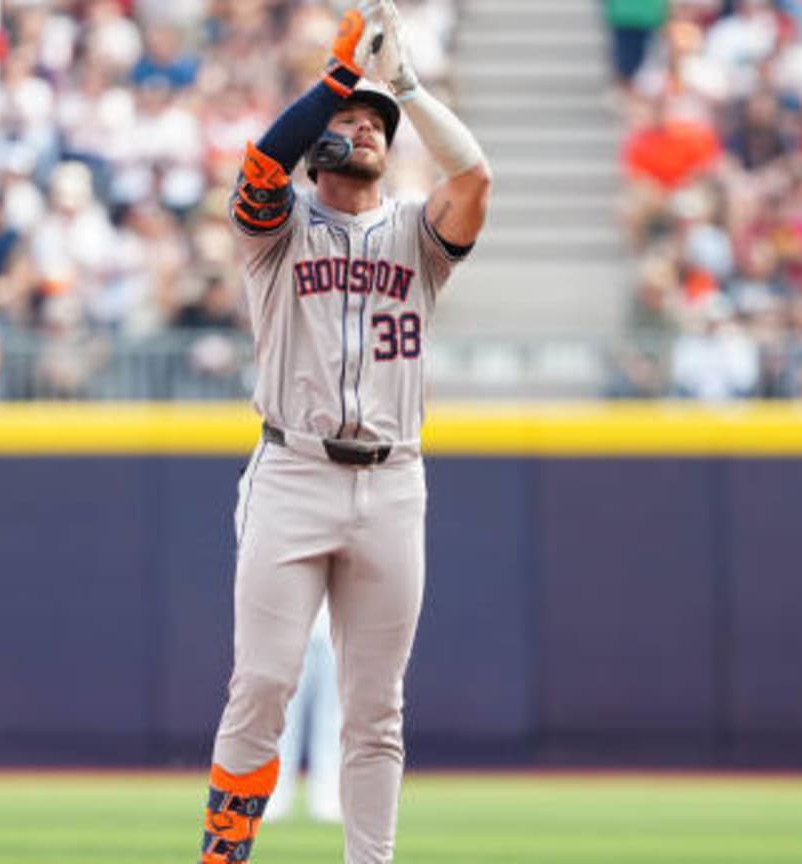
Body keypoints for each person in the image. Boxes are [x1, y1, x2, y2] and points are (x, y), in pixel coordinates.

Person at [194, 1, 490, 863]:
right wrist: (335, 79)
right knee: (262, 684)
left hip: (393, 480)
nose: (362, 130)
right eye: (348, 121)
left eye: (375, 125)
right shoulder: (277, 232)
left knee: (377, 707)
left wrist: (403, 87)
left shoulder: (415, 234)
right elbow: (258, 166)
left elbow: (473, 181)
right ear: (320, 135)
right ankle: (224, 855)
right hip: (293, 469)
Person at [262, 603, 342, 824]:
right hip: (291, 624)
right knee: (284, 715)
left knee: (333, 718)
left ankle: (329, 796)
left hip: (338, 625)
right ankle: (274, 794)